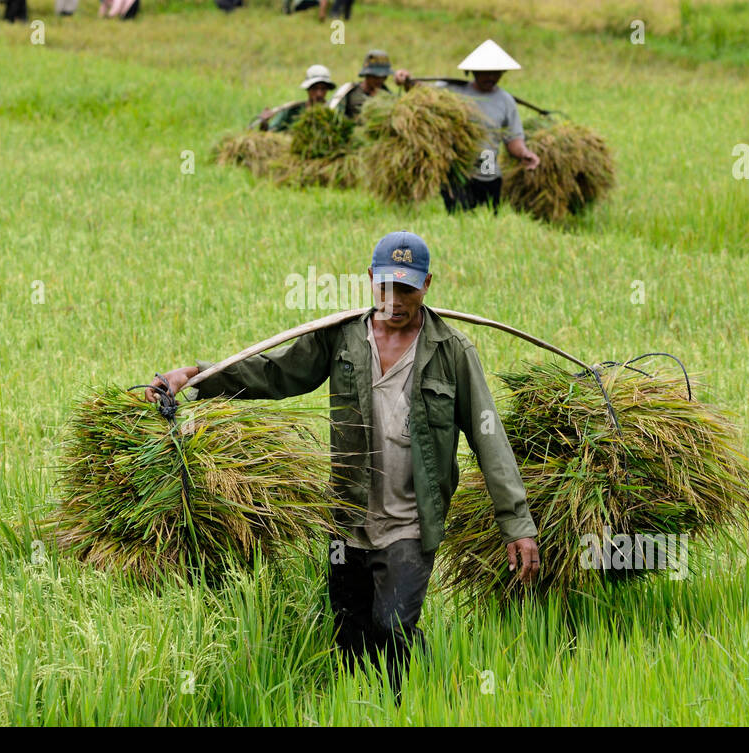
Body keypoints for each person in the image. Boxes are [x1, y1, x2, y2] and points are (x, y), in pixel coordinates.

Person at [147, 232, 540, 700]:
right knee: (350, 637)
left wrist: (517, 523)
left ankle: (408, 702)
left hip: (412, 523)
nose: (395, 301)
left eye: (408, 290)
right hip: (346, 518)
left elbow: (488, 435)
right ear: (371, 280)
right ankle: (365, 704)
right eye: (386, 287)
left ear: (428, 284)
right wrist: (193, 378)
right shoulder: (343, 336)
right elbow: (275, 373)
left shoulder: (451, 351)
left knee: (392, 625)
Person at [396, 40, 541, 213]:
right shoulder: (453, 91)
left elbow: (513, 139)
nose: (491, 77)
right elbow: (421, 90)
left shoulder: (506, 101)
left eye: (496, 73)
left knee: (488, 224)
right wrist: (405, 79)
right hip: (459, 173)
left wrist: (525, 153)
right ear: (472, 71)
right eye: (485, 73)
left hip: (489, 173)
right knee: (460, 221)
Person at [255, 64, 336, 132]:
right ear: (308, 89)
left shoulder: (332, 112)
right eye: (314, 88)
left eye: (323, 89)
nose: (319, 94)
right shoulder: (292, 111)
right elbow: (269, 133)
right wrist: (264, 122)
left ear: (327, 89)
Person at [330, 49, 395, 119]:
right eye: (375, 77)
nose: (379, 80)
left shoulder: (389, 97)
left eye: (383, 77)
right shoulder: (348, 91)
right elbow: (332, 112)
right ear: (367, 75)